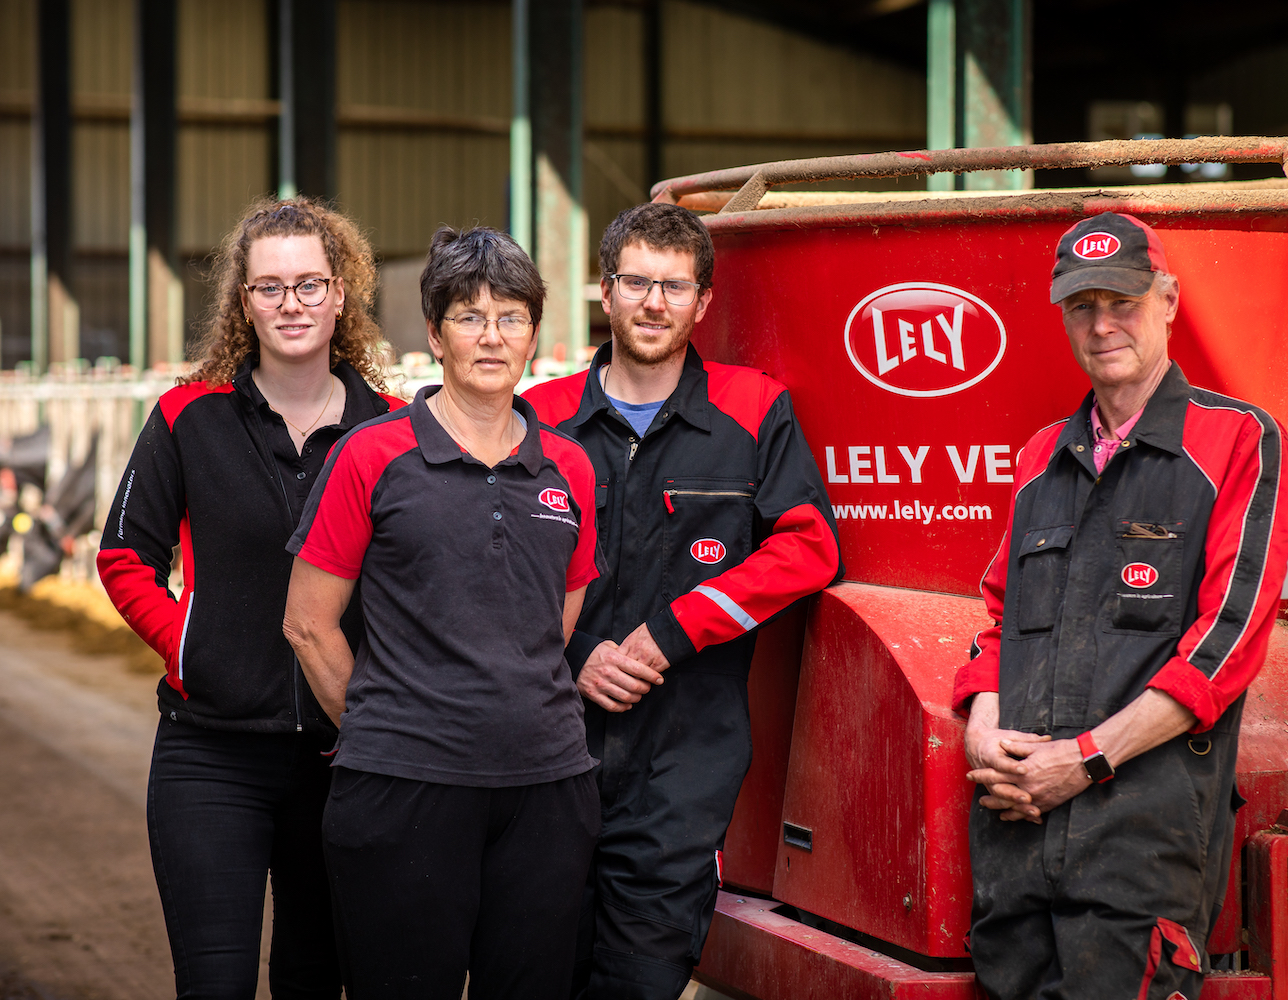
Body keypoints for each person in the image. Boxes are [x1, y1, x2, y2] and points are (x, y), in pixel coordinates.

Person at [951, 212, 1288, 999]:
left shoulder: (1240, 441)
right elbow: (999, 617)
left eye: (1123, 301)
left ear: (1169, 298)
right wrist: (981, 718)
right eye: (1082, 305)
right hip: (1014, 844)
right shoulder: (1041, 457)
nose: (1102, 324)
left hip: (1138, 853)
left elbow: (1225, 645)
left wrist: (1085, 759)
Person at [524, 202, 842, 1000]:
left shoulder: (752, 409)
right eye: (636, 282)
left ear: (703, 302)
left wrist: (669, 633)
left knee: (640, 978)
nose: (653, 303)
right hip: (546, 752)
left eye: (675, 287)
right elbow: (493, 569)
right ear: (605, 291)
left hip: (681, 761)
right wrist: (577, 652)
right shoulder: (543, 419)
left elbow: (811, 547)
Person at [282, 226, 601, 1000]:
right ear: (434, 333)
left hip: (547, 790)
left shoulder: (571, 467)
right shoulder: (371, 455)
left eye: (512, 317)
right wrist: (385, 728)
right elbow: (307, 621)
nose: (492, 337)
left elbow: (553, 622)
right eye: (468, 317)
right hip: (403, 788)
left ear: (534, 331)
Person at [98, 198, 399, 999]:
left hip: (347, 756)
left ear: (342, 294)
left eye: (309, 284)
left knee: (316, 978)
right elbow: (125, 557)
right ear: (243, 301)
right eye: (269, 288)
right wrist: (191, 650)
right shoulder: (187, 417)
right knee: (215, 984)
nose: (290, 304)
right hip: (212, 753)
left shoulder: (395, 431)